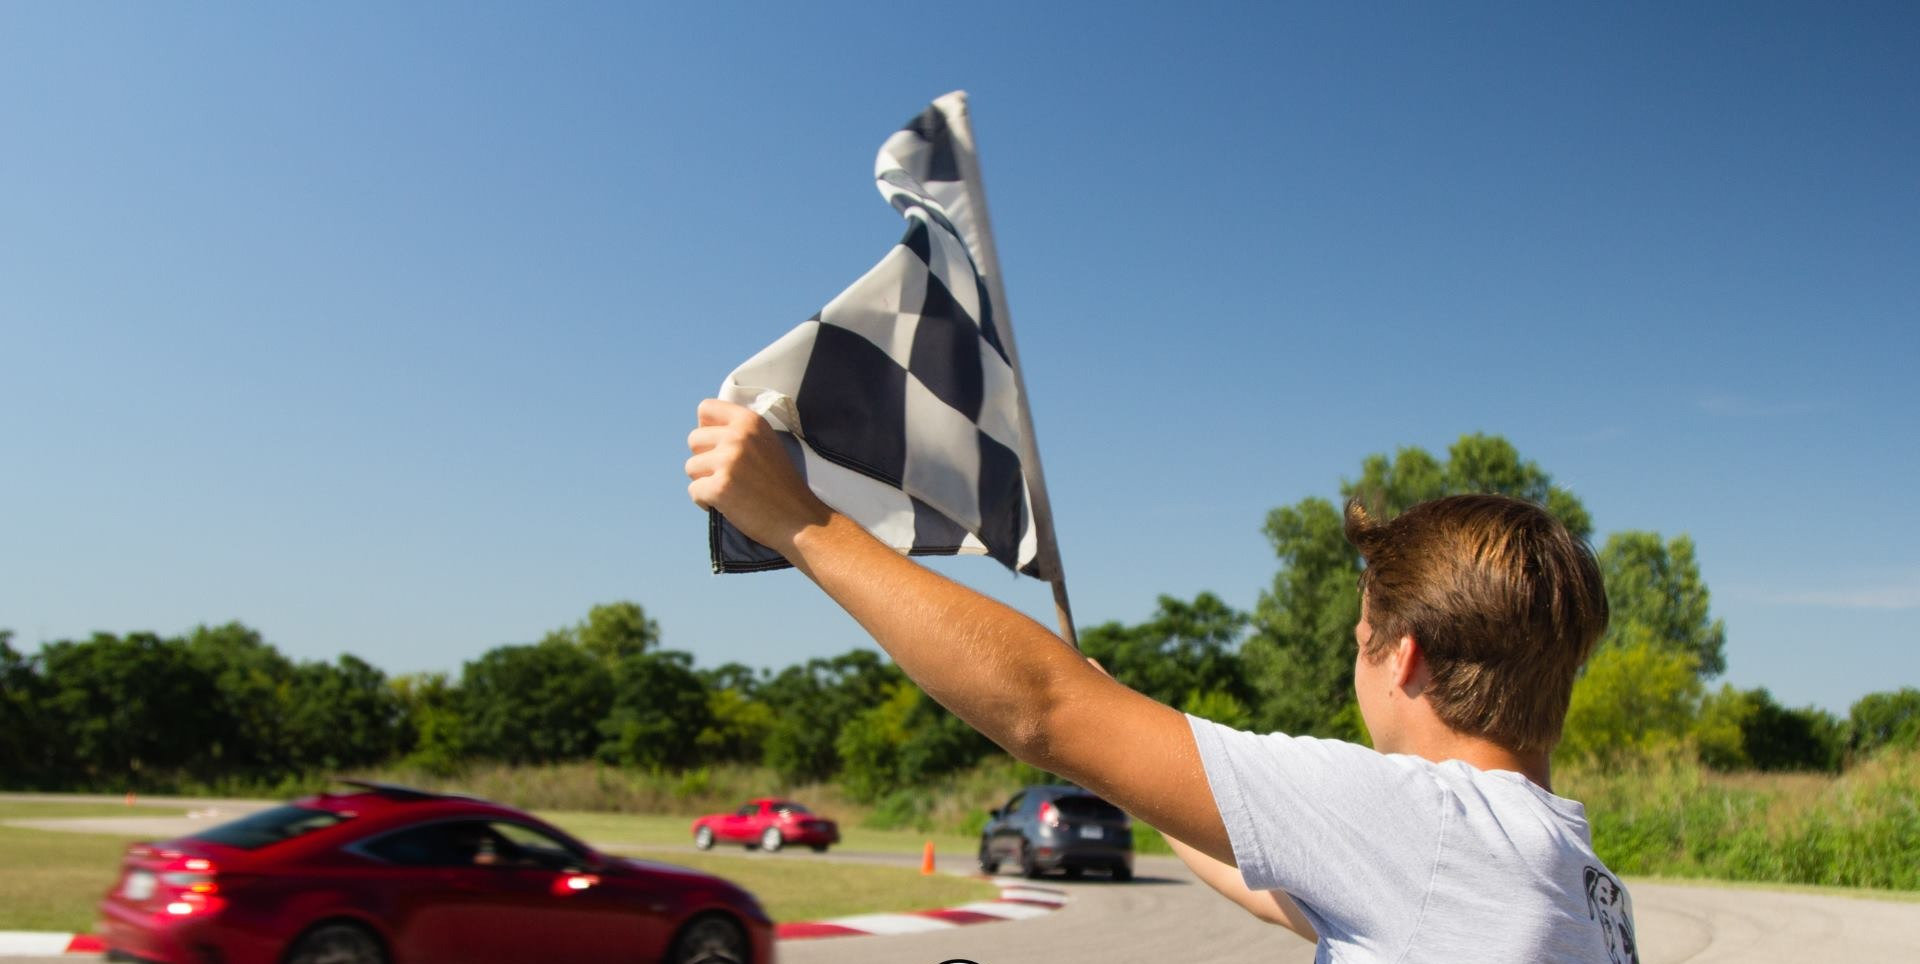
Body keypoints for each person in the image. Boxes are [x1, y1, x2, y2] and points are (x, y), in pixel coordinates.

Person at [686, 398, 1639, 963]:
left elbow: (1042, 710)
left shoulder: (1429, 828)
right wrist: (1133, 763)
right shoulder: (1575, 882)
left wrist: (799, 519)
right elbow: (1278, 887)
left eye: (1359, 641)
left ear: (1405, 657)